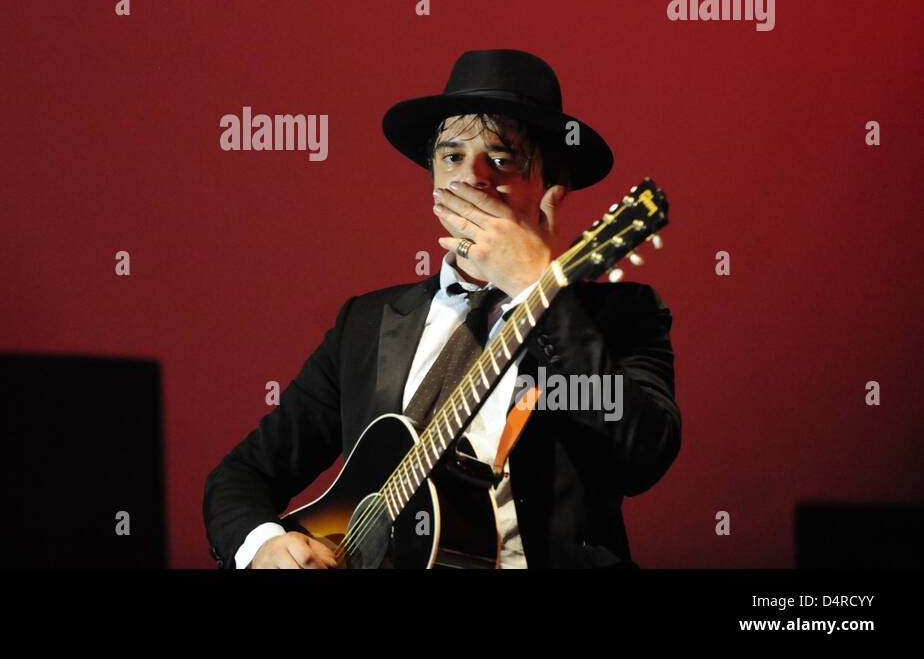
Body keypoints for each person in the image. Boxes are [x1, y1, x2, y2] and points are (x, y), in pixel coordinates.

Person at [202, 49, 680, 568]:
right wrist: (264, 548)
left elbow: (645, 453)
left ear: (552, 187)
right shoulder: (366, 324)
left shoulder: (619, 314)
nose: (471, 176)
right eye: (451, 157)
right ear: (432, 179)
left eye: (500, 158)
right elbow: (241, 474)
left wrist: (532, 286)